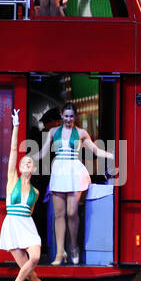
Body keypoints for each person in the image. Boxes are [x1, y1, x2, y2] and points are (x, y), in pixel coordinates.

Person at [48, 104, 114, 265]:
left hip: (73, 172)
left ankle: (73, 247)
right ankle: (59, 253)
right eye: (66, 116)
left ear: (75, 117)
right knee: (58, 215)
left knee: (71, 212)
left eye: (71, 116)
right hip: (59, 172)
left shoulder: (82, 133)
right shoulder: (53, 132)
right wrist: (27, 159)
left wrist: (113, 155)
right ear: (61, 115)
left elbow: (96, 151)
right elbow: (43, 152)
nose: (68, 119)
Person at [0, 108, 43, 281]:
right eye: (23, 162)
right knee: (24, 265)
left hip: (26, 224)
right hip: (12, 225)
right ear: (19, 167)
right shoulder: (12, 181)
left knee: (34, 257)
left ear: (33, 168)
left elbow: (31, 212)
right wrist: (16, 126)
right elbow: (12, 150)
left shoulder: (35, 192)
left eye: (29, 162)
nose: (26, 163)